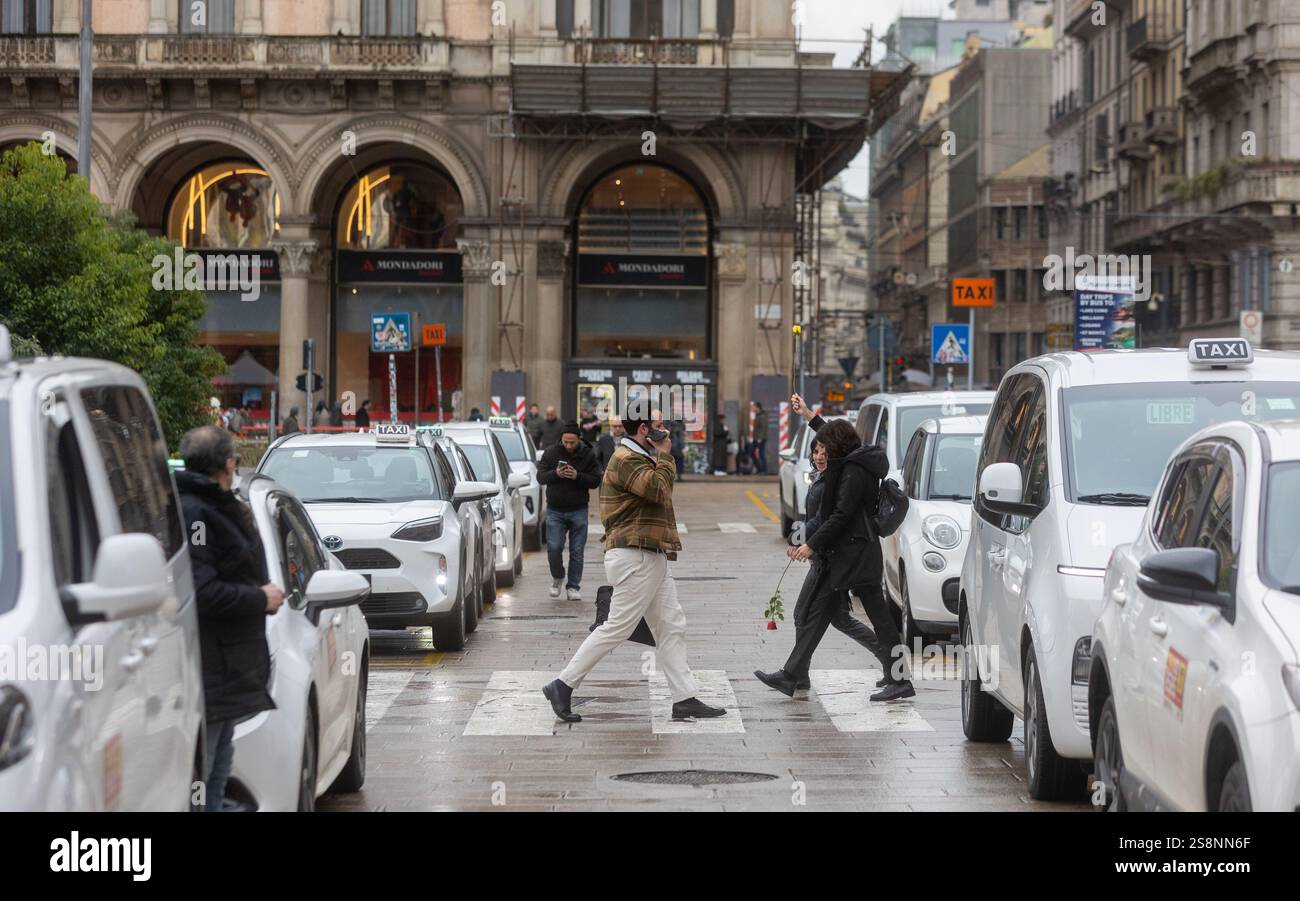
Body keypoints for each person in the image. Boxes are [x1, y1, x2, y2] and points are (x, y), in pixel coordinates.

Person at [541, 416, 726, 723]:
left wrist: (660, 456)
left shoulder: (639, 457)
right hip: (635, 556)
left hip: (650, 555)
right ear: (644, 429)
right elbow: (657, 490)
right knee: (617, 627)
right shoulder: (626, 459)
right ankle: (563, 684)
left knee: (671, 624)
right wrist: (665, 453)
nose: (664, 428)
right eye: (658, 423)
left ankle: (685, 698)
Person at [754, 395, 914, 702]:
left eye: (827, 445)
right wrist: (808, 415)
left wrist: (811, 545)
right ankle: (796, 674)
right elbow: (832, 434)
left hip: (853, 556)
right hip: (851, 554)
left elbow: (840, 516)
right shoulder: (855, 459)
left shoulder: (853, 472)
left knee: (873, 618)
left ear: (838, 447)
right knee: (827, 615)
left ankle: (795, 675)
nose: (821, 451)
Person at [175, 426, 283, 811]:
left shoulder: (216, 504)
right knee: (207, 777)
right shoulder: (197, 513)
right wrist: (260, 598)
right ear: (227, 463)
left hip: (226, 663)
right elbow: (202, 591)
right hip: (212, 662)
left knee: (218, 768)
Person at [537, 421, 601, 601]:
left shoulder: (588, 454)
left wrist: (577, 476)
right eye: (565, 442)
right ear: (561, 439)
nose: (569, 445)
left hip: (578, 508)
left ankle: (573, 586)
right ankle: (558, 577)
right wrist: (555, 474)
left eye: (572, 442)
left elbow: (596, 480)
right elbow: (540, 477)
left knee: (577, 551)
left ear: (579, 439)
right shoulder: (551, 453)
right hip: (555, 509)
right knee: (554, 547)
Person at [752, 401, 769, 474]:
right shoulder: (758, 415)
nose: (753, 408)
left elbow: (763, 428)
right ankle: (760, 469)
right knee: (752, 453)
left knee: (761, 454)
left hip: (760, 439)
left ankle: (763, 470)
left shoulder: (762, 416)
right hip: (756, 438)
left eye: (754, 407)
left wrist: (760, 438)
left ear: (757, 407)